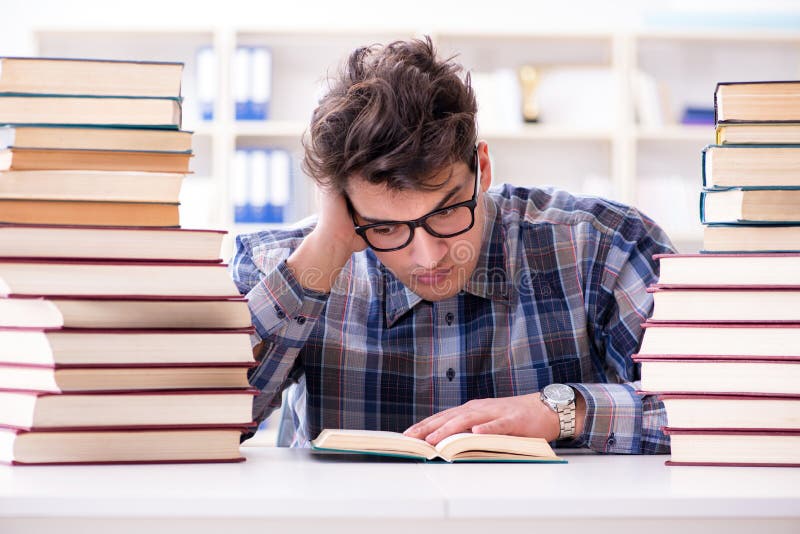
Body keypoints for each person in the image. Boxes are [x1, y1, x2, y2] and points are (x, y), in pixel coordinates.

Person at [230, 36, 675, 454]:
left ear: (482, 167)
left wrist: (561, 411)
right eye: (386, 228)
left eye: (445, 212)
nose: (429, 256)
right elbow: (204, 425)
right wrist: (325, 250)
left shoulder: (604, 245)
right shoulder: (280, 266)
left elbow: (715, 413)